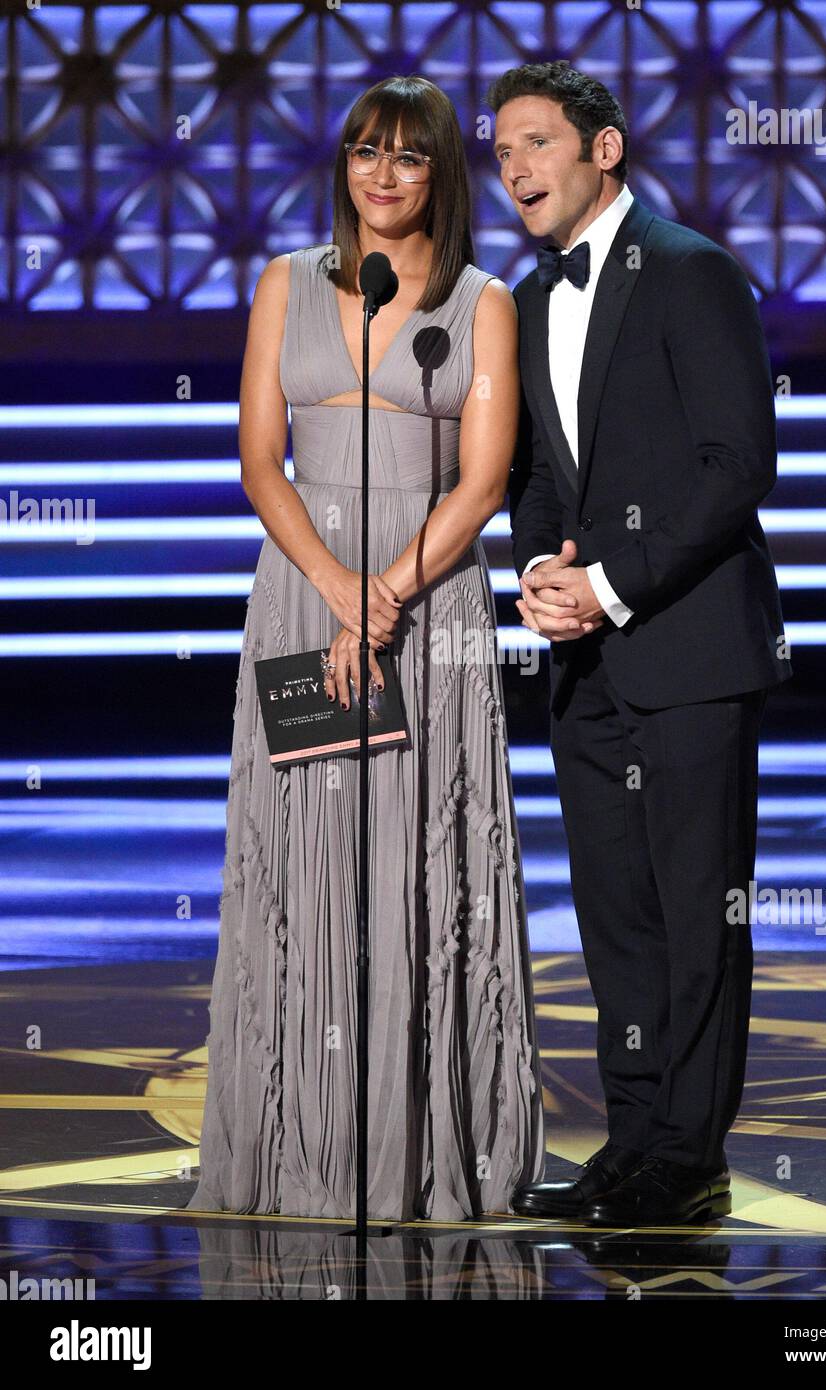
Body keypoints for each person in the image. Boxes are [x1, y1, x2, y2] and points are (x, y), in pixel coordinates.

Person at [185, 75, 544, 1223]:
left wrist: (383, 597)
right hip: (304, 605)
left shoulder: (483, 302)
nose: (381, 177)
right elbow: (258, 462)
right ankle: (301, 1147)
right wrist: (339, 593)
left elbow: (483, 480)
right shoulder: (284, 283)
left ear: (442, 170)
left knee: (419, 862)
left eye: (407, 157)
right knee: (309, 863)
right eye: (361, 153)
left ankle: (426, 1150)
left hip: (427, 610)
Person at [488, 60, 792, 1227]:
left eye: (534, 143)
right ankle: (629, 1135)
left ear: (601, 150)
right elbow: (535, 481)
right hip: (586, 661)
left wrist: (609, 583)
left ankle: (689, 1151)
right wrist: (543, 573)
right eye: (502, 150)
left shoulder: (691, 272)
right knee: (615, 910)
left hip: (690, 649)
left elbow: (735, 468)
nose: (513, 167)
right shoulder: (521, 299)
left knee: (693, 908)